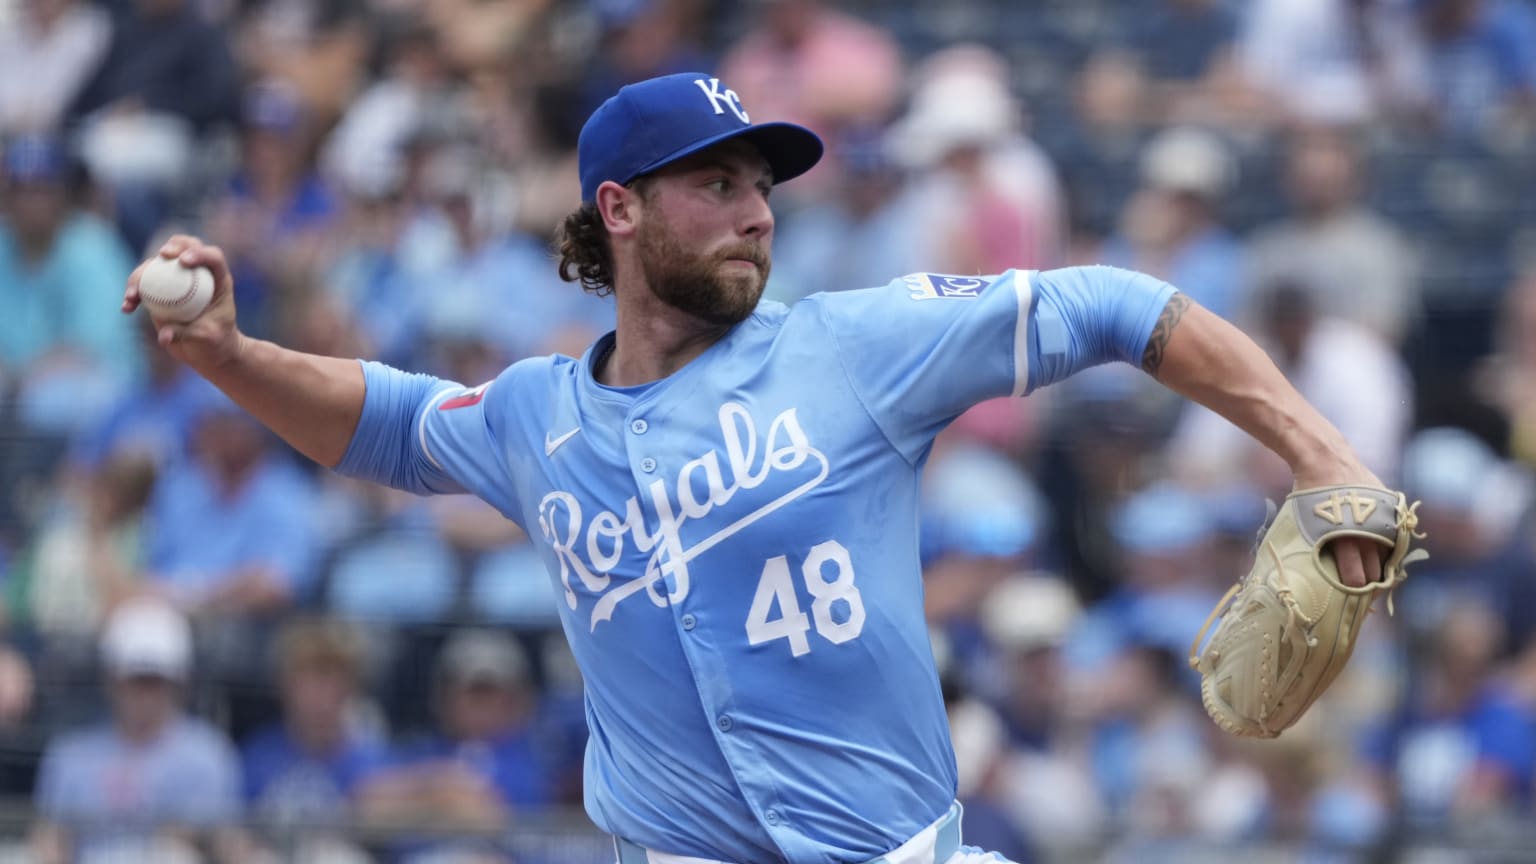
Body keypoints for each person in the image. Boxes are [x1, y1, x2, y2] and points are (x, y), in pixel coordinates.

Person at [123, 72, 1393, 864]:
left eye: (763, 185)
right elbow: (385, 422)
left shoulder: (852, 347)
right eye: (717, 183)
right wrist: (229, 355)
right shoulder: (534, 420)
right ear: (618, 210)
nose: (757, 210)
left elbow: (1117, 302)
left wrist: (1324, 456)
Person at [29, 598, 244, 864]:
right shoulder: (70, 754)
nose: (145, 695)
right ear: (111, 679)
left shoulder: (208, 753)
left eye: (155, 681)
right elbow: (50, 839)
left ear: (180, 682)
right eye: (135, 680)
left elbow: (205, 839)